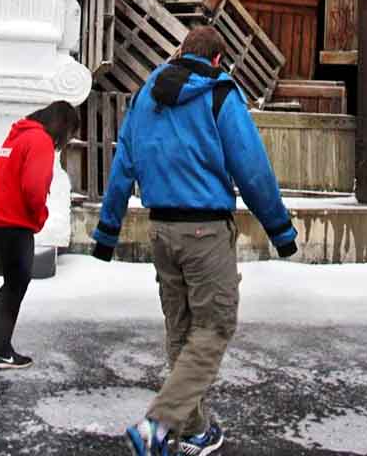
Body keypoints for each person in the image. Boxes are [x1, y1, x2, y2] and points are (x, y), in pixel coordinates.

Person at [91, 26, 298, 456]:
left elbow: (123, 162)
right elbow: (251, 168)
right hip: (205, 231)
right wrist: (280, 229)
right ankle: (158, 424)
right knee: (214, 326)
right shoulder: (220, 92)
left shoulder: (144, 96)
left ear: (181, 52)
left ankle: (195, 429)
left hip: (160, 229)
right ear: (218, 60)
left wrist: (107, 231)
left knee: (181, 329)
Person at [0, 100, 80, 369]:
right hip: (11, 222)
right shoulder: (40, 140)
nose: (66, 141)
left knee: (14, 279)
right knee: (17, 282)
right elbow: (33, 187)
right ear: (63, 125)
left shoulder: (20, 135)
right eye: (69, 134)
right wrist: (40, 215)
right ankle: (1, 352)